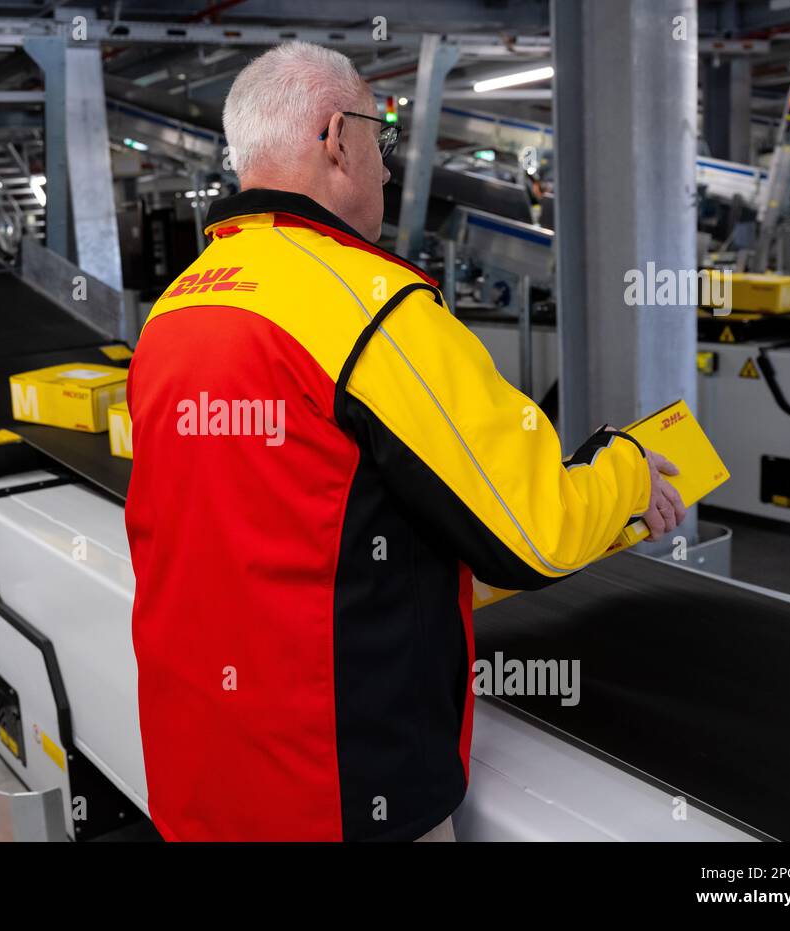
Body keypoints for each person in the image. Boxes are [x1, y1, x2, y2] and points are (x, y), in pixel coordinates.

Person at [124, 41, 685, 842]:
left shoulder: (175, 310)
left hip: (198, 780)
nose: (387, 169)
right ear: (333, 139)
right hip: (339, 797)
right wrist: (627, 471)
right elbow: (531, 534)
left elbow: (302, 519)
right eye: (379, 138)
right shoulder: (372, 308)